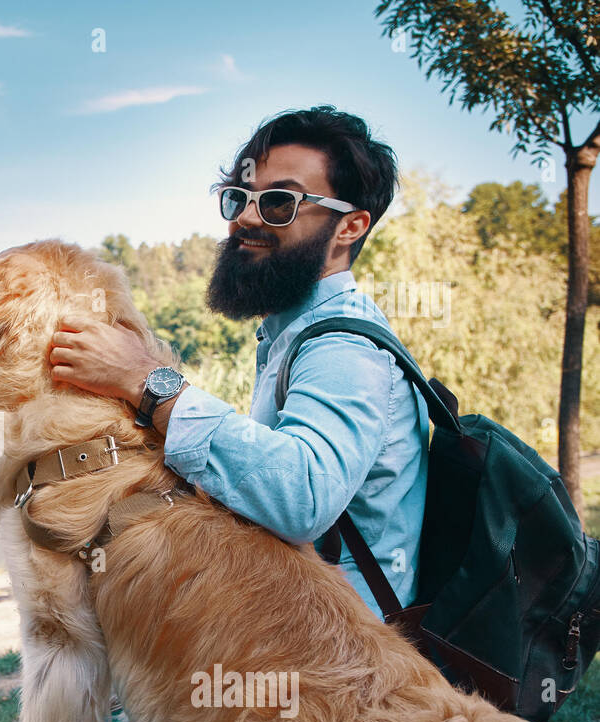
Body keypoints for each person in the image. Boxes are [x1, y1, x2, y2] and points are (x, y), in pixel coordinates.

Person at [48, 106, 428, 620]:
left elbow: (302, 497)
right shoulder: (290, 332)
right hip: (294, 628)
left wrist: (147, 383)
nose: (245, 217)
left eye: (278, 202)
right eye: (239, 197)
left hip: (334, 664)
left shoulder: (344, 347)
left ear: (350, 226)